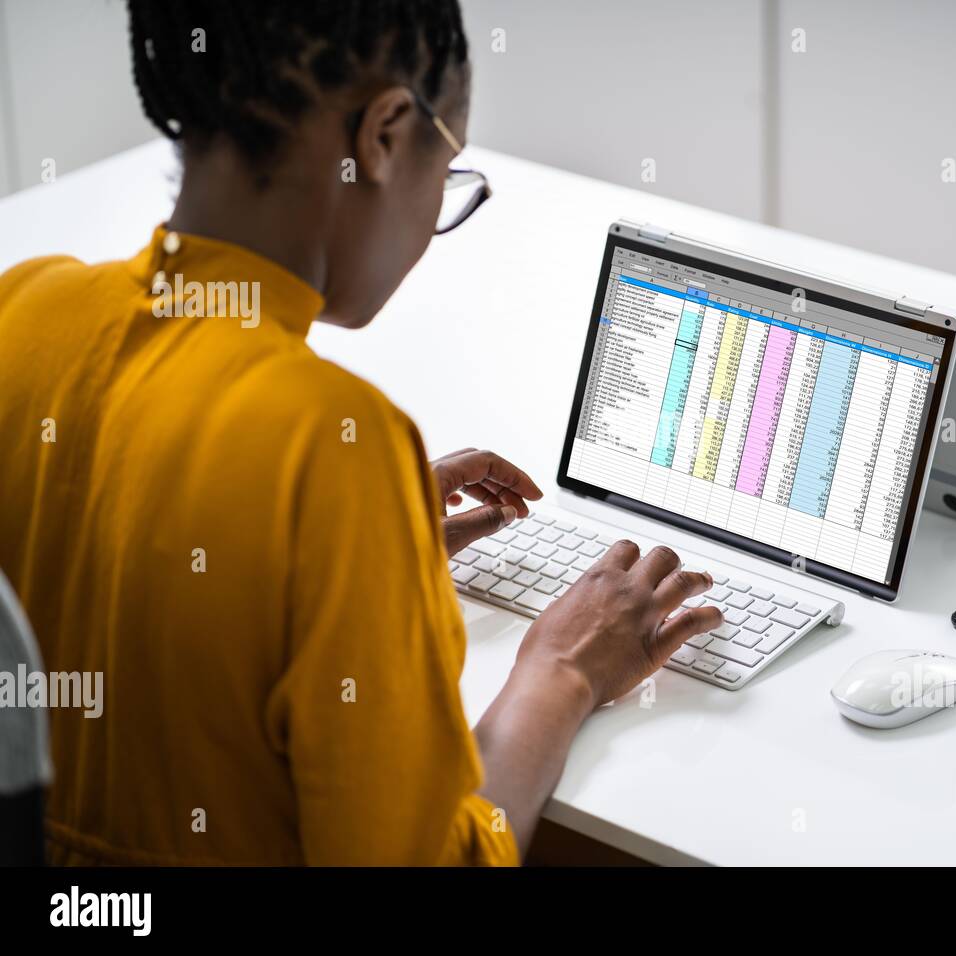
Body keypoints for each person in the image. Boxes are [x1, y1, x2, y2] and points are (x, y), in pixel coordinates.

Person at [0, 0, 722, 865]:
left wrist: (351, 553)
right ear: (381, 135)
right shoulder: (335, 444)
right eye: (447, 176)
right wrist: (563, 671)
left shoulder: (24, 308)